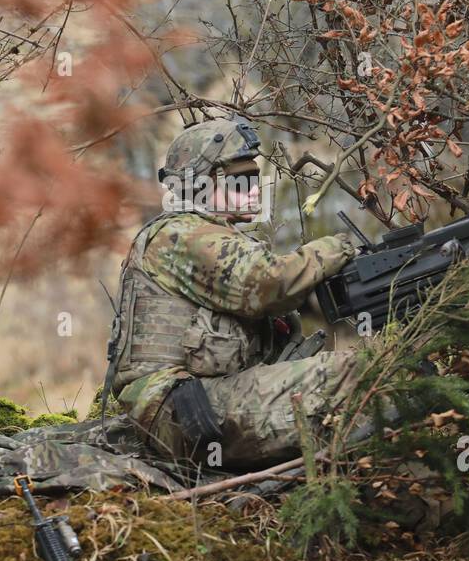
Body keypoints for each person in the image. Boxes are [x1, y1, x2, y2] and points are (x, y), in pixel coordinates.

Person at [107, 116, 360, 471]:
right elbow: (268, 284)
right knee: (356, 373)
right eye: (242, 181)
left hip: (202, 403)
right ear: (199, 186)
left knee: (358, 368)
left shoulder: (219, 238)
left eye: (256, 178)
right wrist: (340, 248)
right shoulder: (180, 235)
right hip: (183, 415)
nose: (255, 190)